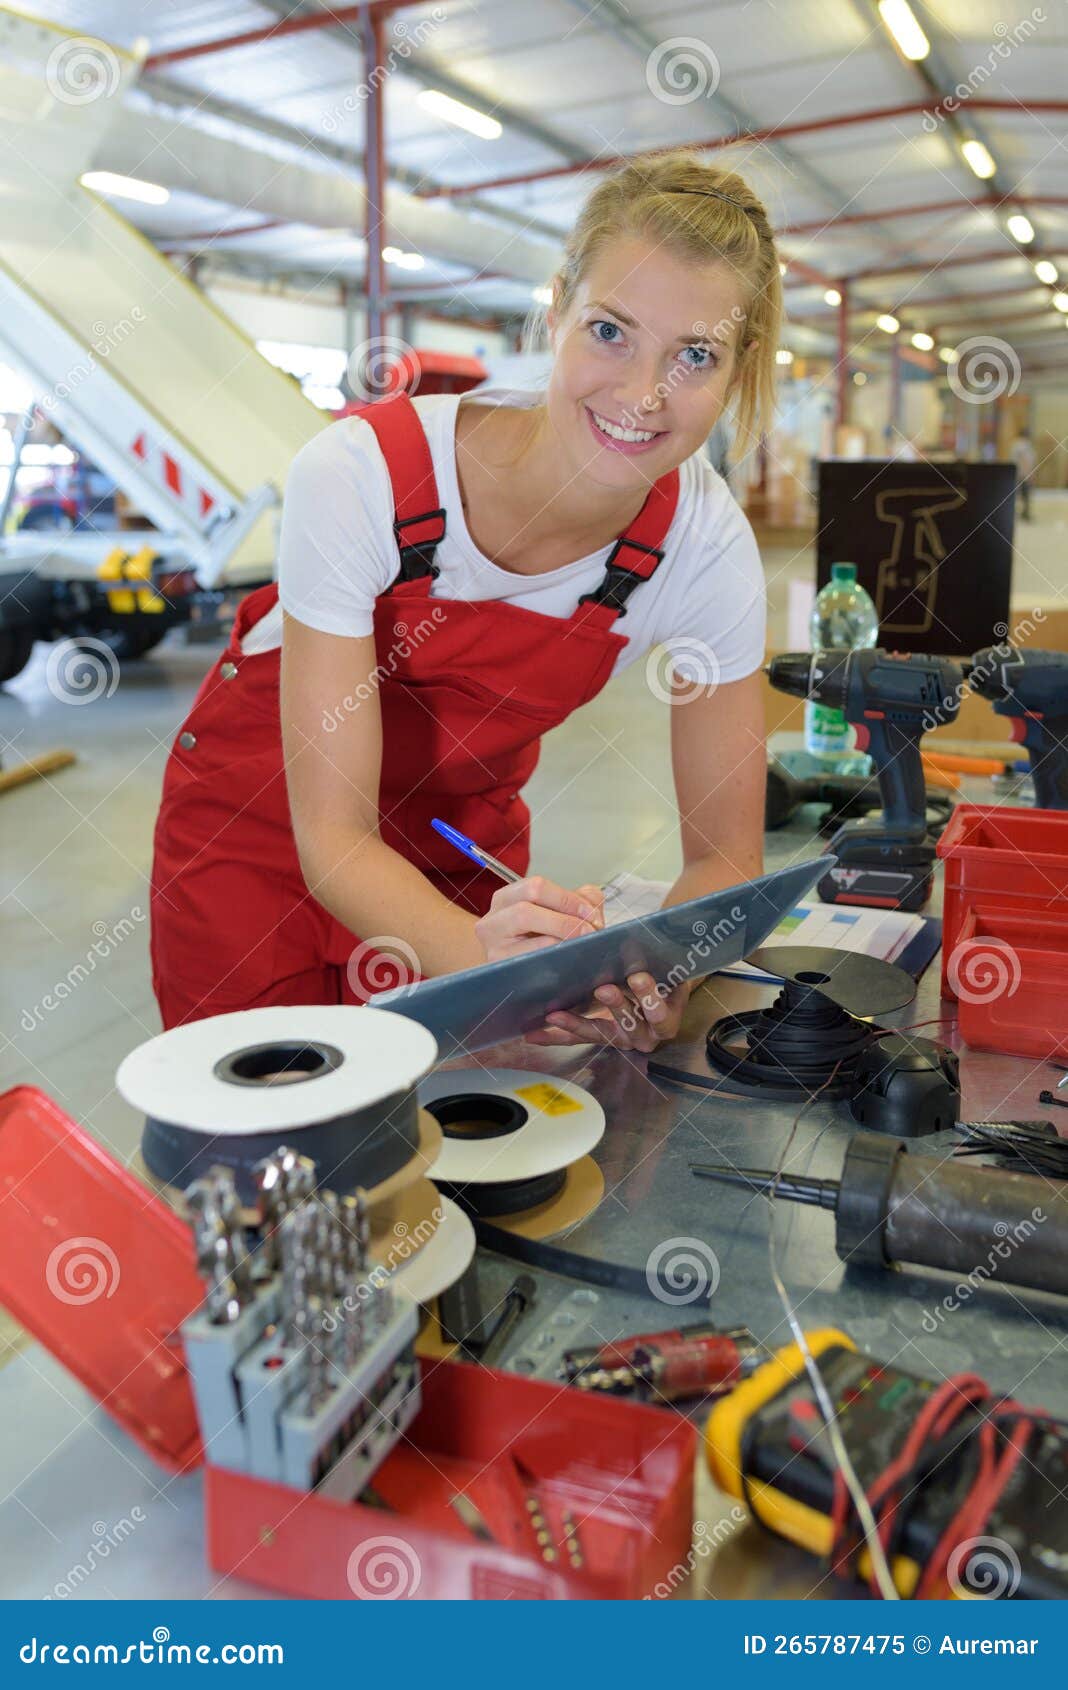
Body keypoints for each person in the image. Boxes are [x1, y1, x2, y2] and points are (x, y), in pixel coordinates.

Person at [150, 153, 780, 1053]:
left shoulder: (705, 545)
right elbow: (333, 834)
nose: (644, 394)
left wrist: (659, 973)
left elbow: (724, 861)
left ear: (737, 366)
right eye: (610, 331)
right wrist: (495, 967)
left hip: (458, 856)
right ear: (556, 306)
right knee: (275, 1154)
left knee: (451, 1140)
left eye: (694, 355)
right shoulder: (363, 475)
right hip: (263, 846)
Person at [1011, 430, 1037, 521]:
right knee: (1023, 494)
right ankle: (1023, 513)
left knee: (1023, 494)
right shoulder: (1021, 444)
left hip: (1022, 473)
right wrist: (1029, 473)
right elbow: (1023, 460)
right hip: (1023, 474)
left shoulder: (1021, 444)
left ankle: (1023, 513)